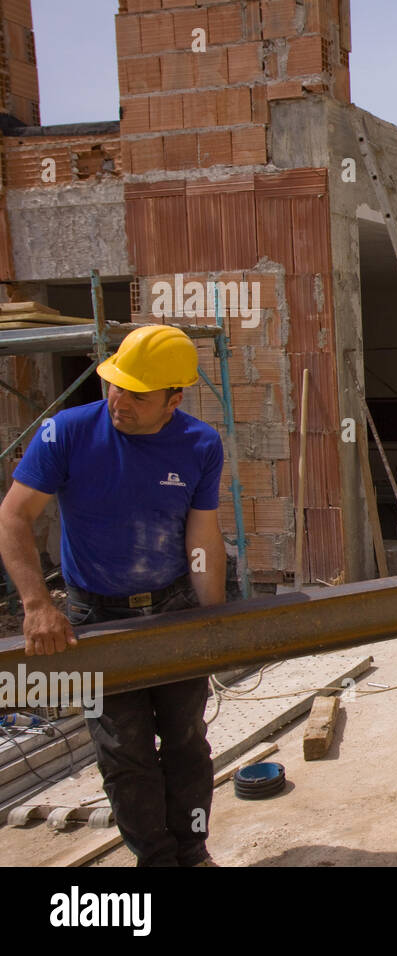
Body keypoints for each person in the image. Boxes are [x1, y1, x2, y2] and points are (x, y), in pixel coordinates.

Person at [0, 325, 226, 867]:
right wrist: (37, 606)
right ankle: (156, 861)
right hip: (91, 617)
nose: (119, 401)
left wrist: (216, 622)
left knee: (187, 743)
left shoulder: (200, 444)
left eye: (137, 394)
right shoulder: (66, 433)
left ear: (174, 398)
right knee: (122, 753)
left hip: (172, 608)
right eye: (114, 386)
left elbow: (201, 538)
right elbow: (13, 515)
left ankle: (193, 851)